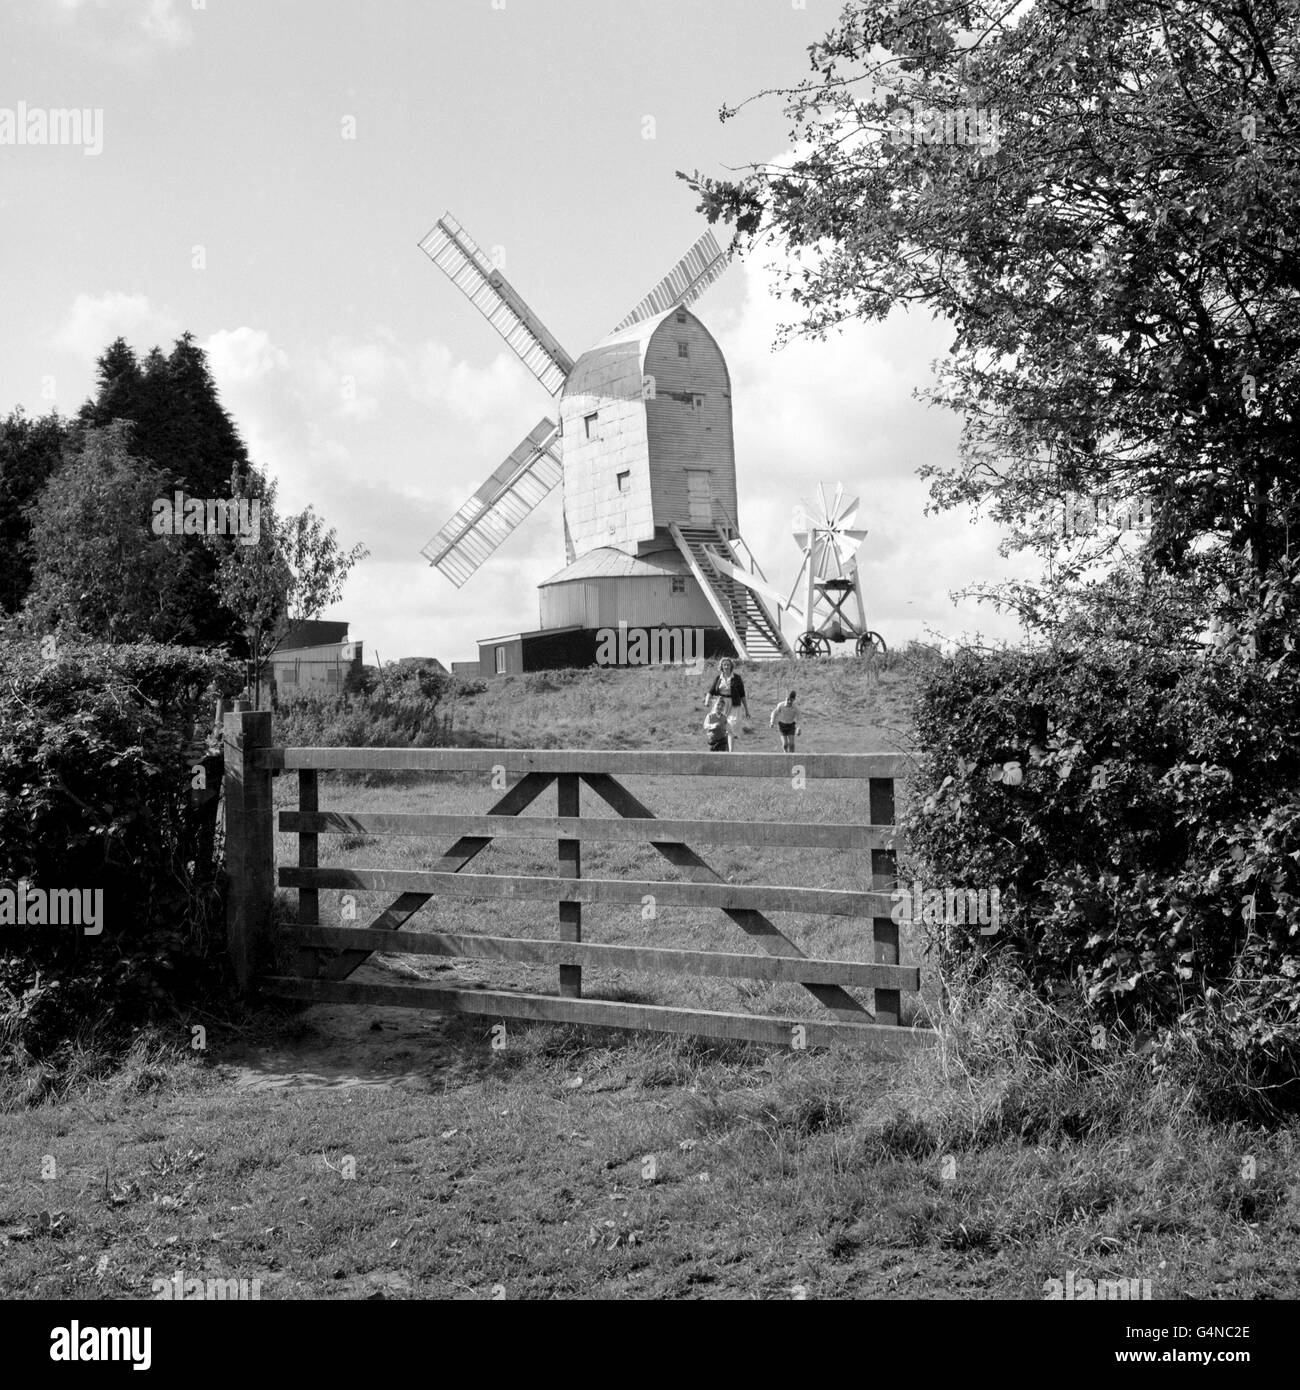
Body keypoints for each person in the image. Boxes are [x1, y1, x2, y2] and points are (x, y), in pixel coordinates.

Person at [704, 657, 749, 747]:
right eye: (724, 665)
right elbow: (711, 691)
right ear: (721, 666)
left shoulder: (737, 678)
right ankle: (718, 745)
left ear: (731, 666)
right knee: (719, 725)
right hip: (721, 703)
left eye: (728, 664)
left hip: (734, 703)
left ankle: (730, 752)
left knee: (731, 726)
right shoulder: (718, 678)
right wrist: (707, 701)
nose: (726, 666)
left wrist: (747, 710)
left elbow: (742, 694)